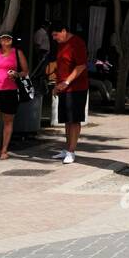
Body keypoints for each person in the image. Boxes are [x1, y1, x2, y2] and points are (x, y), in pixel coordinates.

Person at [50, 21, 89, 164]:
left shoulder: (77, 43)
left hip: (76, 88)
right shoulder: (61, 44)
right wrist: (56, 84)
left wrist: (66, 82)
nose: (54, 38)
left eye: (56, 34)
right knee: (67, 119)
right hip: (63, 87)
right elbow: (59, 67)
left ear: (64, 30)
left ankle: (72, 151)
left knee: (74, 120)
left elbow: (81, 66)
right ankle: (67, 149)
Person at [0, 30, 29, 160]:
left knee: (8, 121)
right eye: (3, 39)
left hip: (10, 91)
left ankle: (4, 150)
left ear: (12, 40)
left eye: (8, 39)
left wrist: (16, 74)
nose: (5, 41)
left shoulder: (17, 53)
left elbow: (25, 71)